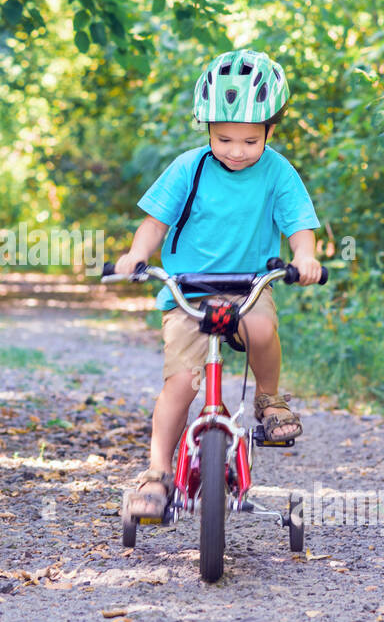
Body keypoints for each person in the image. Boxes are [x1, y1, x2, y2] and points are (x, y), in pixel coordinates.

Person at [110, 48, 324, 518]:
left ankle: (270, 401)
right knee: (181, 385)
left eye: (250, 140)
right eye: (224, 138)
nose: (236, 150)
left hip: (248, 287)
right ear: (206, 128)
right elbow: (155, 223)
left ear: (270, 130)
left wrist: (304, 257)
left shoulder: (279, 172)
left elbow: (299, 225)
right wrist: (136, 255)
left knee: (263, 330)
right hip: (188, 291)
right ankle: (156, 474)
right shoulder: (189, 167)